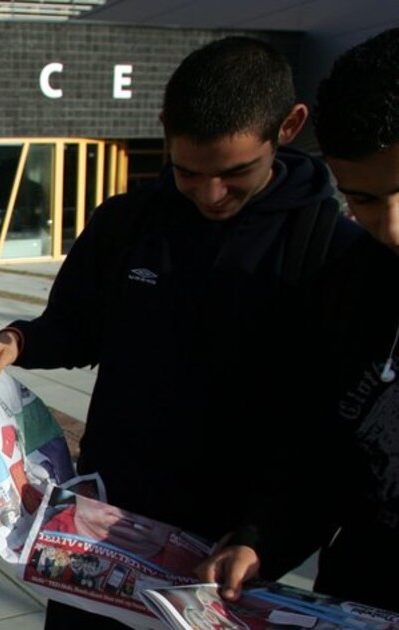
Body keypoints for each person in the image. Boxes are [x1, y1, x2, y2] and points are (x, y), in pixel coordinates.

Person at [0, 36, 371, 629]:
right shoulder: (126, 221)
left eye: (235, 173)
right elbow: (76, 328)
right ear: (164, 129)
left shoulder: (334, 253)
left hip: (224, 551)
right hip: (104, 529)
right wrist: (20, 340)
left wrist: (264, 535)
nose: (211, 194)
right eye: (188, 172)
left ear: (289, 126)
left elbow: (328, 429)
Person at [197, 28, 399, 611]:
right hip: (359, 597)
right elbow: (319, 440)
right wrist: (261, 539)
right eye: (363, 199)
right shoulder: (355, 277)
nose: (391, 227)